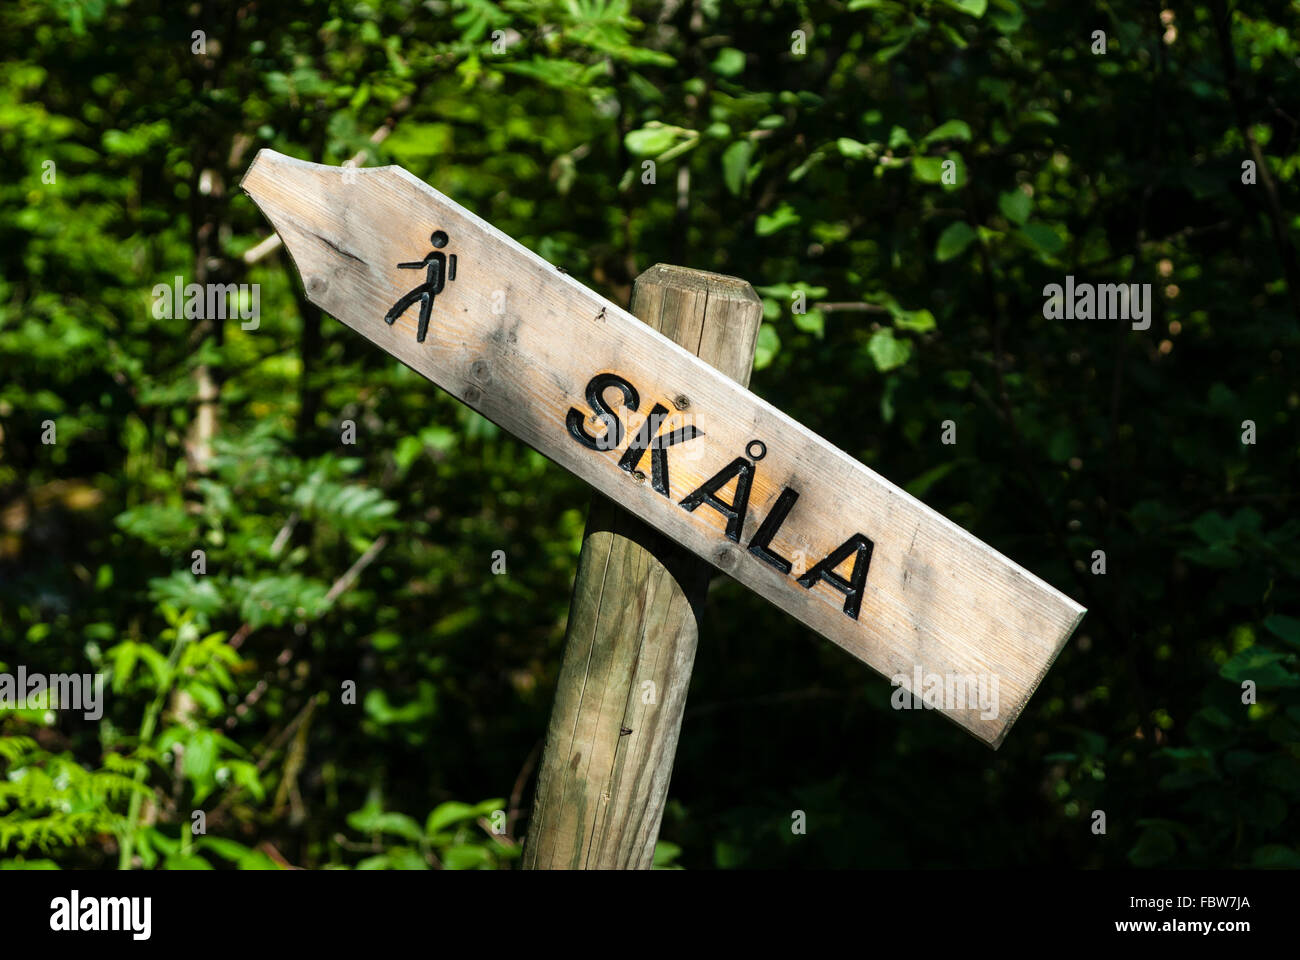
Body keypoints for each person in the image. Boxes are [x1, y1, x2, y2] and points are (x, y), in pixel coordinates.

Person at [385, 230, 458, 343]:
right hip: (433, 287)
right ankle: (418, 335)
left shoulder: (436, 256)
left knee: (412, 301)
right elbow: (450, 272)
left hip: (431, 287)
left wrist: (403, 266)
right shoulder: (439, 256)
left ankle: (393, 317)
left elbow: (420, 265)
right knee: (417, 304)